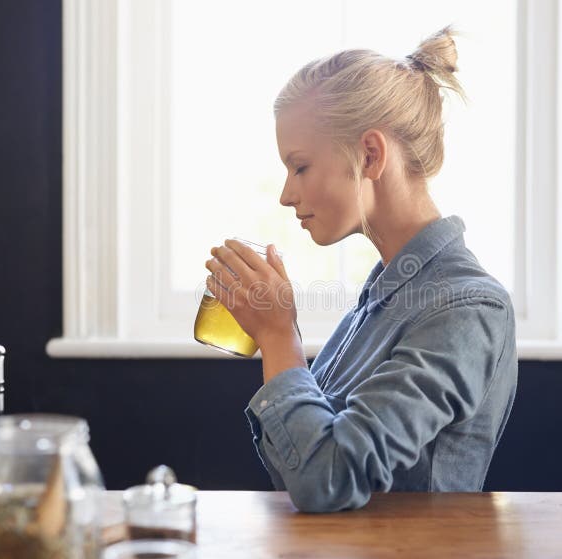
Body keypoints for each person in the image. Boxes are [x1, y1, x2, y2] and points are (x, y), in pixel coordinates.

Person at [205, 27, 517, 513]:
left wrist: (279, 338)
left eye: (300, 167)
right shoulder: (385, 293)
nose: (287, 195)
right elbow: (299, 461)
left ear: (370, 155)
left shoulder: (467, 308)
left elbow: (327, 480)